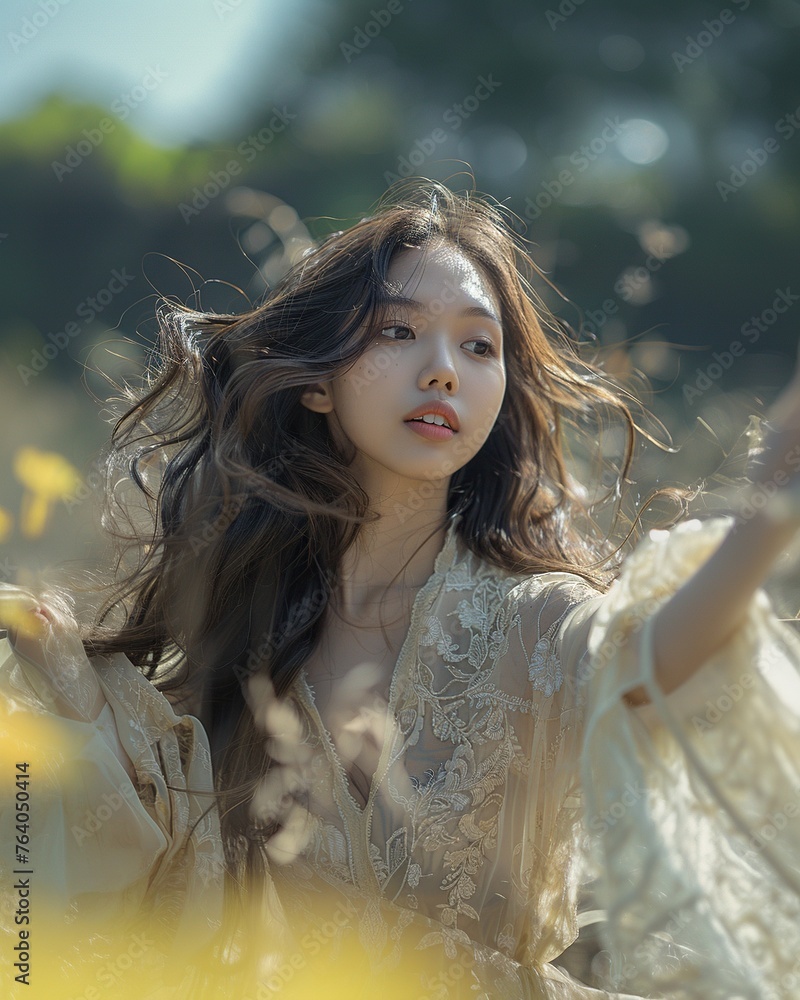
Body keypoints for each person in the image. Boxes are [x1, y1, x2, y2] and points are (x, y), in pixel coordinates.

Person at [2, 177, 800, 999]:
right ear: (316, 381)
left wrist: (770, 504)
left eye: (479, 346)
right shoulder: (237, 634)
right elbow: (133, 871)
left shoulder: (537, 621)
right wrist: (70, 691)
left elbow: (658, 658)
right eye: (398, 331)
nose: (444, 371)